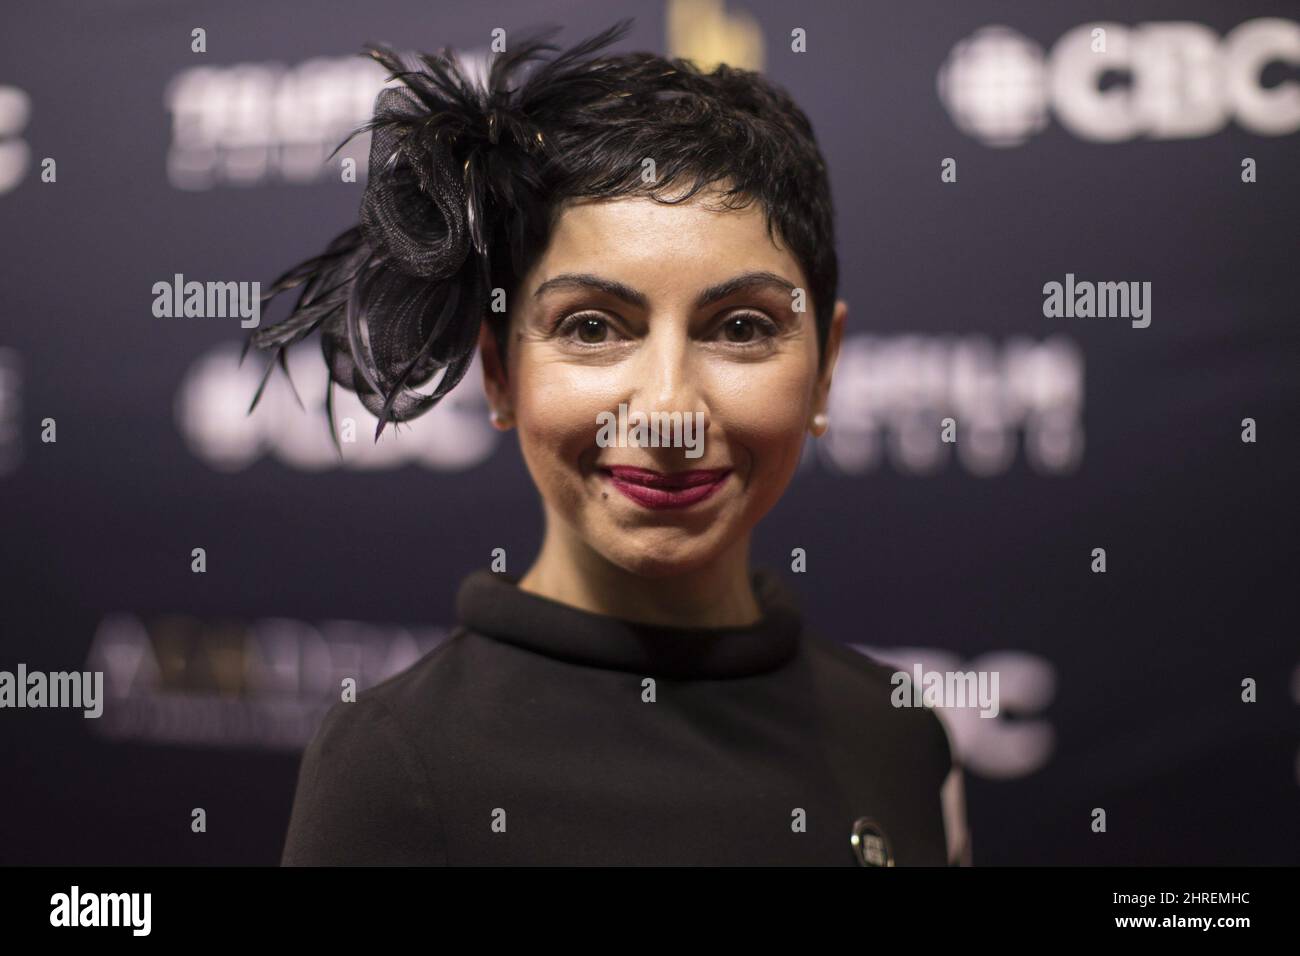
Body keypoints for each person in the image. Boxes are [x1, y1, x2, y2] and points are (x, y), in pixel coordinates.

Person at [249, 18, 972, 866]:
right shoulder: (393, 768)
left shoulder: (898, 732)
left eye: (741, 327)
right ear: (498, 372)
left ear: (824, 369)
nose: (668, 410)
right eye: (592, 327)